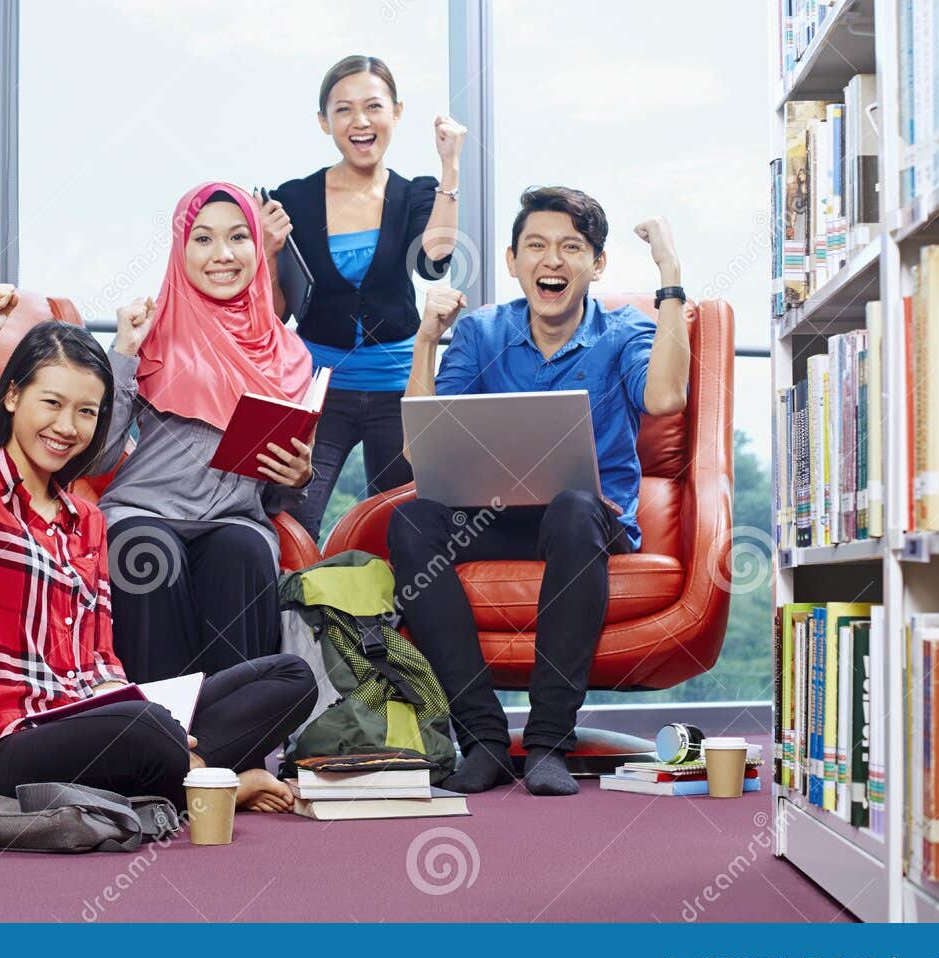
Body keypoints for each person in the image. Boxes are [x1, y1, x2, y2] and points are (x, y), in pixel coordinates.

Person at [0, 288, 317, 813]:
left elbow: (102, 662)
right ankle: (215, 784)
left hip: (88, 725)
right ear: (13, 397)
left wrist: (158, 715)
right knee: (143, 728)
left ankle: (171, 771)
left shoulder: (88, 522)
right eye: (52, 403)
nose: (67, 427)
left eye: (86, 412)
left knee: (288, 678)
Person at [386, 186, 691, 797]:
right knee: (411, 521)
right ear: (512, 260)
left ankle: (551, 740)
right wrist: (425, 339)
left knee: (574, 506)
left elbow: (665, 399)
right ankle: (484, 740)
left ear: (596, 264)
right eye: (537, 247)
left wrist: (671, 278)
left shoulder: (626, 328)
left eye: (570, 248)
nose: (551, 261)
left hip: (583, 524)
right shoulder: (479, 334)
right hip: (490, 517)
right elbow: (422, 451)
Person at [92, 181, 317, 688]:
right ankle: (159, 742)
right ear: (180, 247)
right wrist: (124, 352)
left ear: (259, 248)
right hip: (143, 511)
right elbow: (98, 458)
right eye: (203, 239)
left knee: (244, 554)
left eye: (238, 237)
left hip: (234, 519)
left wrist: (298, 475)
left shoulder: (289, 354)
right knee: (146, 552)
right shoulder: (151, 328)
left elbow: (275, 496)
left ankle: (234, 751)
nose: (223, 255)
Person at [259, 54, 467, 540]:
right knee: (293, 522)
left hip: (398, 387)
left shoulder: (416, 192)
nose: (360, 121)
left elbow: (433, 261)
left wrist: (449, 167)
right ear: (323, 121)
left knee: (403, 529)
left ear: (396, 112)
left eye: (373, 107)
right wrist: (269, 253)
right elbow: (276, 314)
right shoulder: (294, 198)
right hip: (318, 388)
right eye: (344, 109)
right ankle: (296, 616)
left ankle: (385, 618)